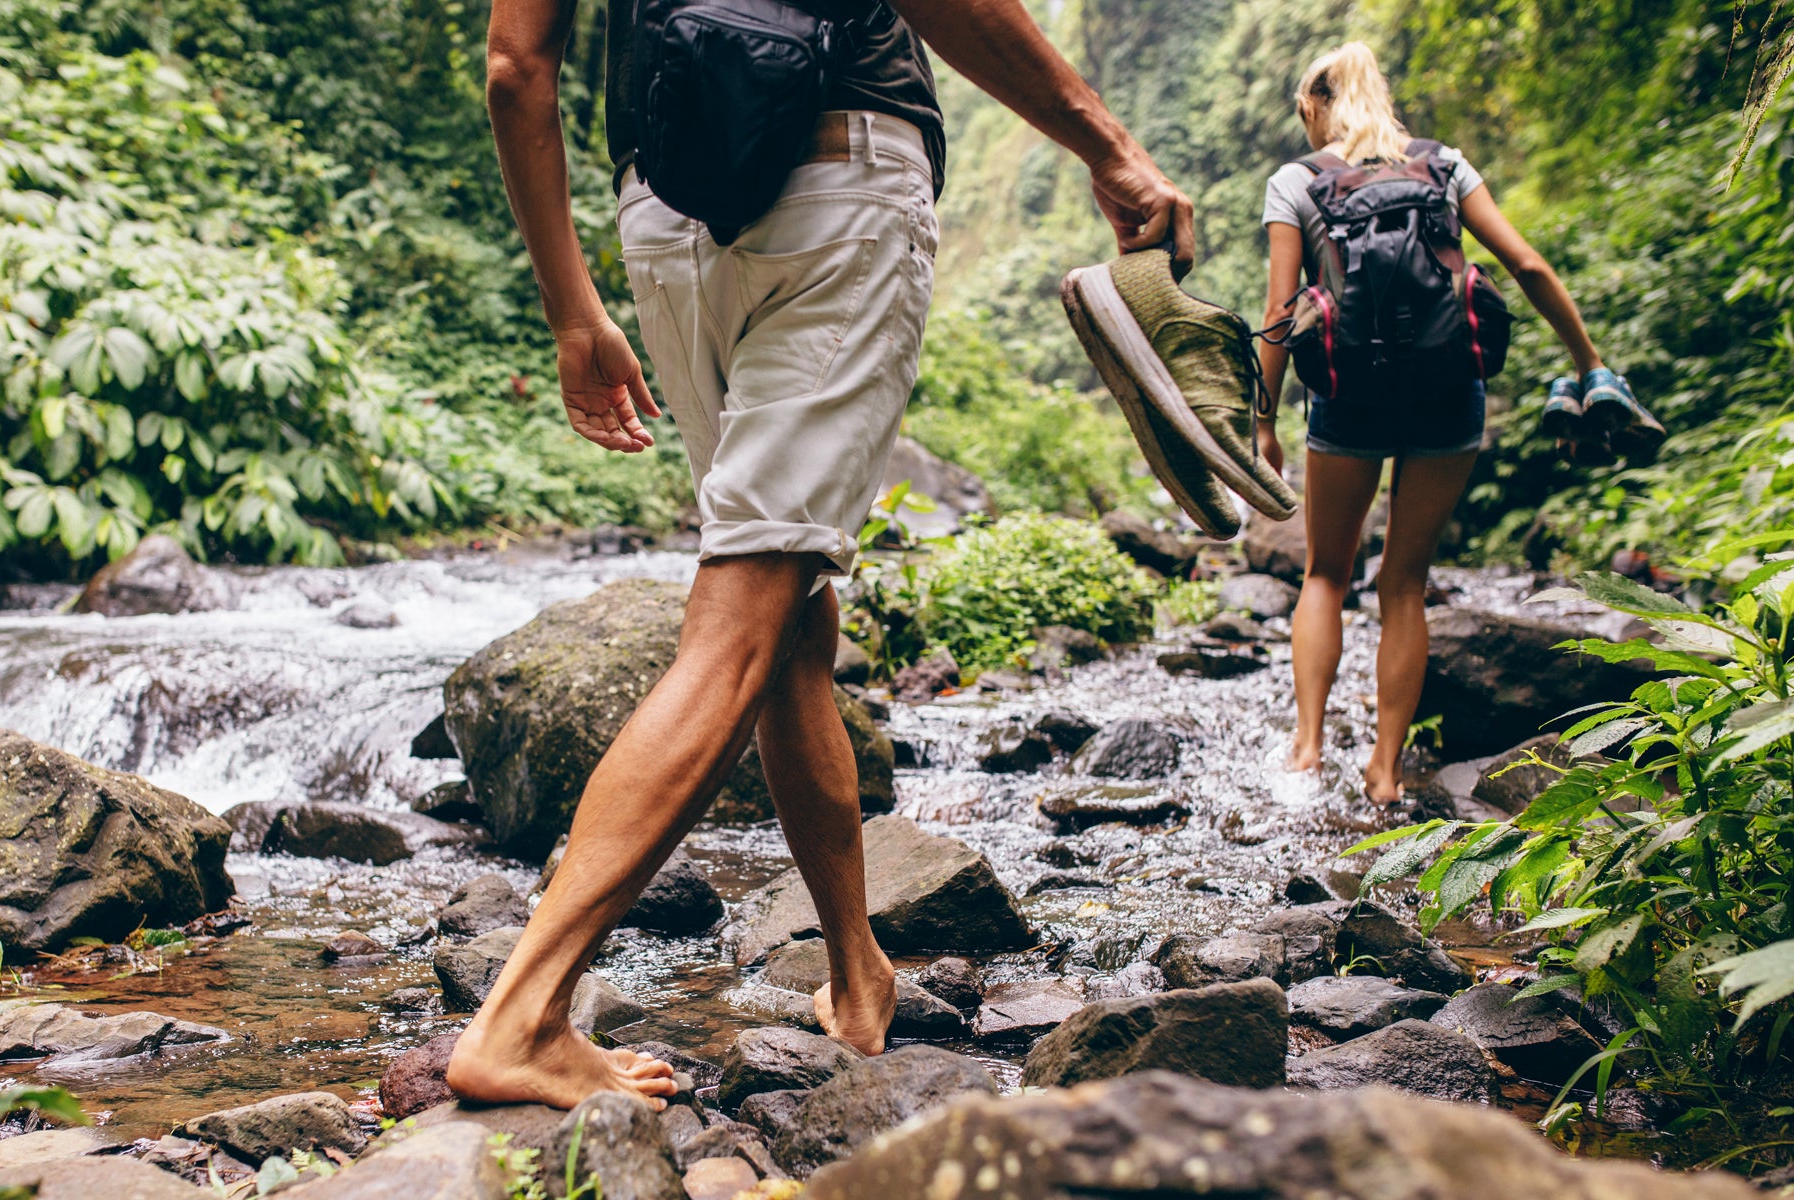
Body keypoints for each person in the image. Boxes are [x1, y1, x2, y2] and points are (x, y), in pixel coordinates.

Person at [445, 0, 1194, 1112]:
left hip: (667, 206)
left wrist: (571, 310)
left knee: (790, 618)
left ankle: (854, 969)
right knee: (744, 614)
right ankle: (523, 1014)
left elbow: (517, 66)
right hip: (836, 175)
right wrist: (1109, 148)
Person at [1254, 42, 1618, 806]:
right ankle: (1384, 773)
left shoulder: (1298, 180)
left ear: (1317, 107)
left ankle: (1307, 753)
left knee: (1324, 574)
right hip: (1450, 394)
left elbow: (1279, 316)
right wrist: (1589, 364)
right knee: (1404, 583)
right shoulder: (1445, 166)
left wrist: (1264, 424)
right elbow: (1528, 265)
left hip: (1349, 397)